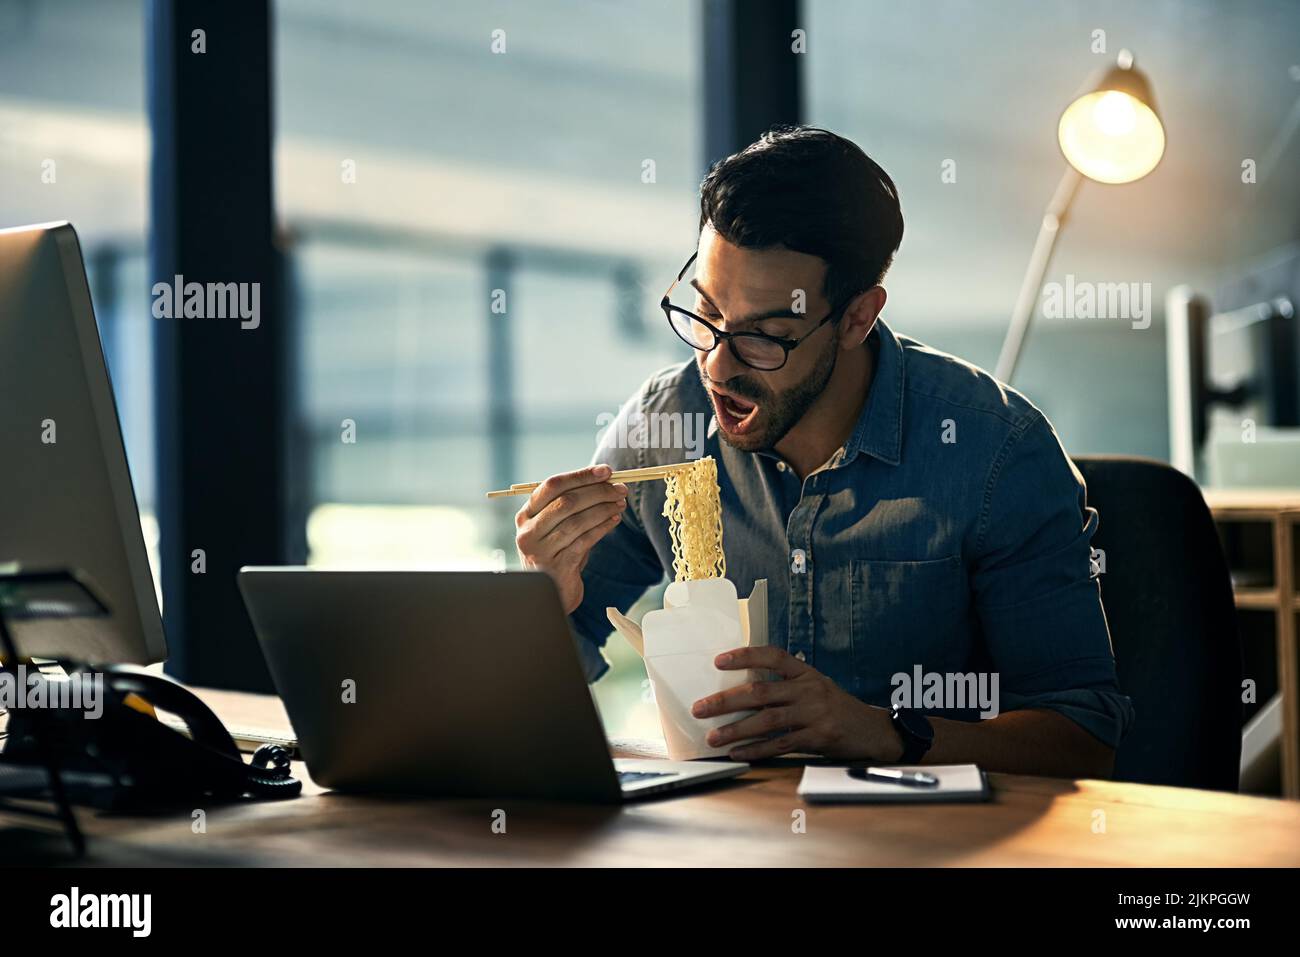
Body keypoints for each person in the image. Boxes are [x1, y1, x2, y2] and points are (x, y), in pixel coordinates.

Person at [514, 126, 1131, 777]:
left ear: (857, 317)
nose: (716, 366)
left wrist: (882, 731)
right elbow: (526, 689)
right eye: (705, 313)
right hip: (733, 837)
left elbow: (1081, 733)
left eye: (766, 336)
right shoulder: (664, 427)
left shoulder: (995, 451)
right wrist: (539, 599)